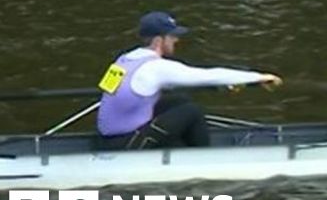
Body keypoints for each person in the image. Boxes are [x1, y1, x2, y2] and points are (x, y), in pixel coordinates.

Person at [96, 11, 281, 150]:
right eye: (173, 36)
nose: (176, 40)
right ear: (159, 40)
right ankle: (200, 161)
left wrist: (221, 87)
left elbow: (113, 93)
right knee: (191, 111)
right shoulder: (156, 68)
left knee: (179, 101)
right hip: (126, 145)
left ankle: (178, 148)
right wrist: (259, 77)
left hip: (107, 137)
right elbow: (209, 75)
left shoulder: (123, 60)